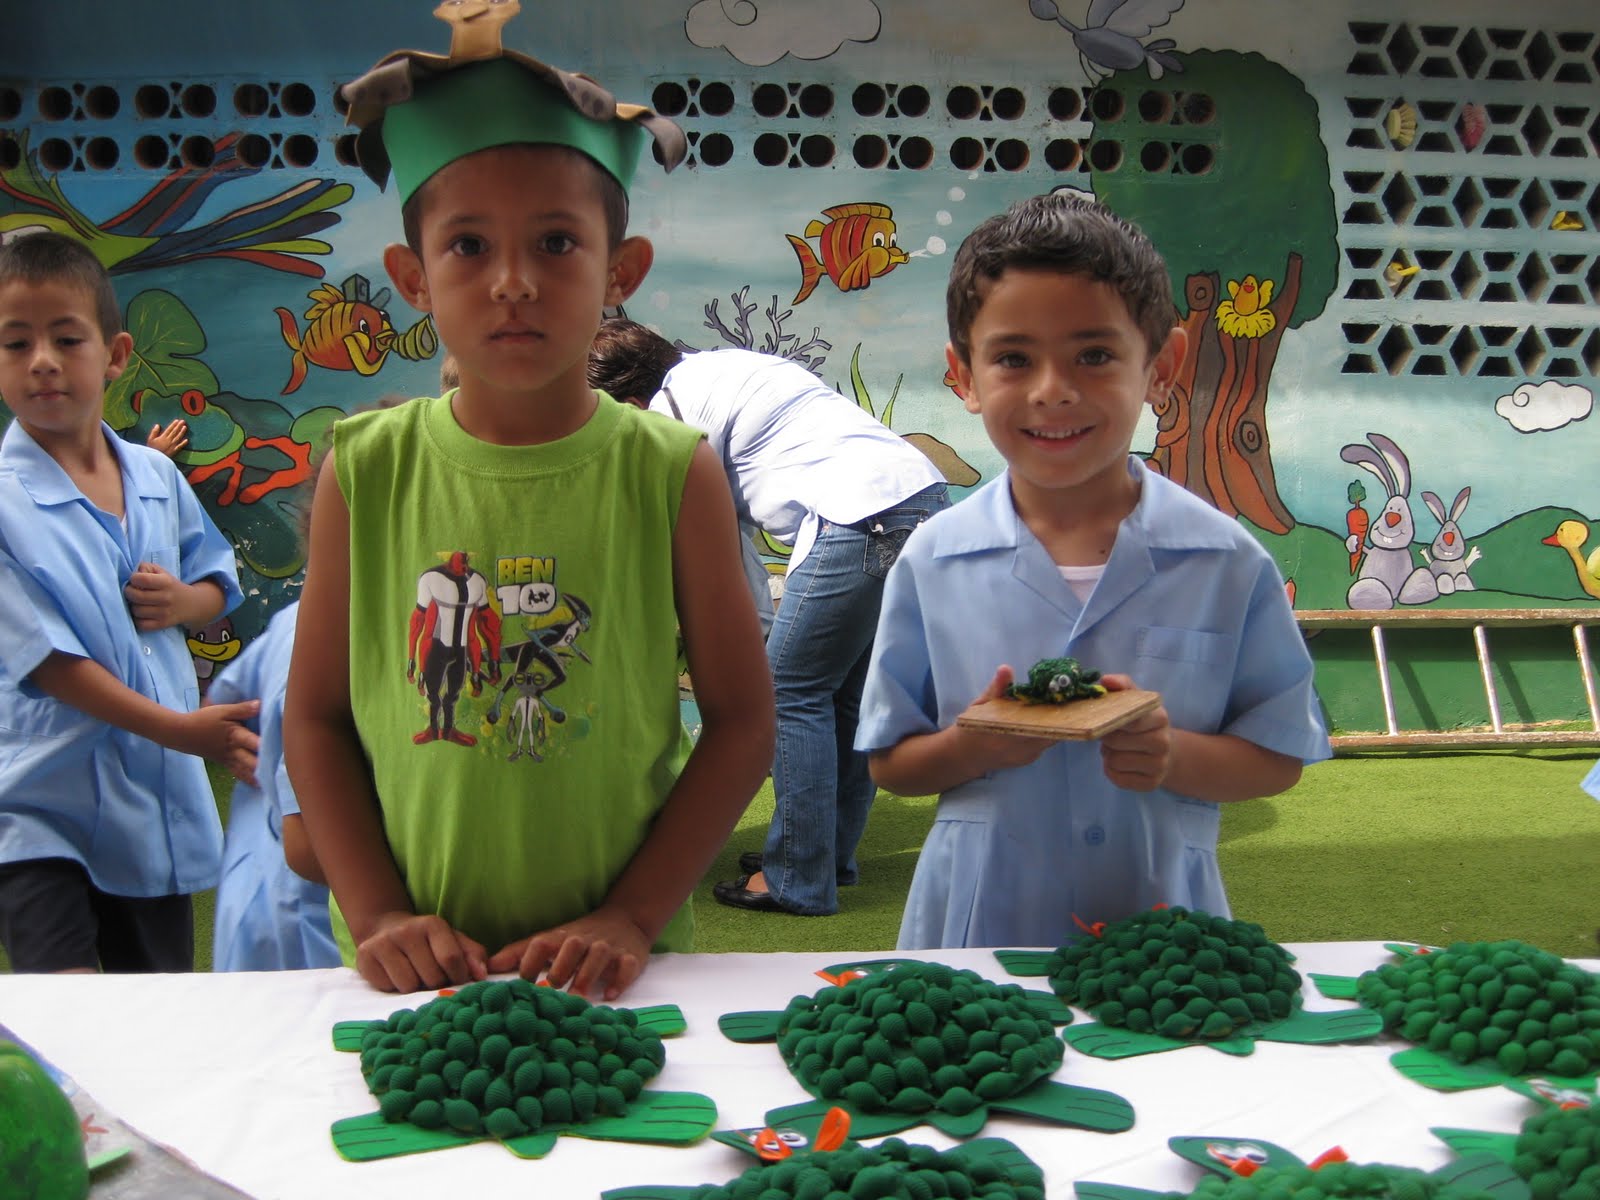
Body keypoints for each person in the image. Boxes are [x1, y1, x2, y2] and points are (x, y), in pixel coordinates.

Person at [283, 13, 774, 1001]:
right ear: (414, 278)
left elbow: (740, 722)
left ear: (618, 271)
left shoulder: (671, 472)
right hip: (413, 977)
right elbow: (319, 718)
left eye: (557, 242)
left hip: (614, 973)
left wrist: (629, 917)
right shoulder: (364, 468)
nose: (513, 283)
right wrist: (378, 914)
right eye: (468, 246)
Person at [856, 192, 1332, 950]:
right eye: (1013, 358)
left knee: (1161, 1065)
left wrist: (1174, 755)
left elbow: (1277, 758)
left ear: (1162, 365)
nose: (1053, 388)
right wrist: (976, 746)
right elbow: (891, 760)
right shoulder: (934, 559)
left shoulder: (1226, 562)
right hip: (982, 919)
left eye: (1095, 354)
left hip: (1161, 919)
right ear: (963, 375)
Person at [589, 320, 950, 916]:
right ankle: (822, 858)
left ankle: (798, 879)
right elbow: (737, 546)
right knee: (841, 700)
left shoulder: (673, 415)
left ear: (628, 402)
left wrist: (756, 642)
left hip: (860, 518)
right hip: (919, 503)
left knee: (788, 692)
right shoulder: (722, 371)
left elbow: (718, 547)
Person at [0, 230, 256, 973]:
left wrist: (183, 602)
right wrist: (182, 731)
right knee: (73, 1013)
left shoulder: (154, 474)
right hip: (39, 810)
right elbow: (49, 664)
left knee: (161, 1016)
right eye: (15, 344)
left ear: (113, 356)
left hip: (151, 813)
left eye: (64, 338)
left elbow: (216, 586)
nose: (41, 360)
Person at [209, 599, 340, 971]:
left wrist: (237, 744)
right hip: (305, 920)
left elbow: (220, 703)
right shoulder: (335, 639)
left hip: (253, 889)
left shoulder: (293, 615)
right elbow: (304, 845)